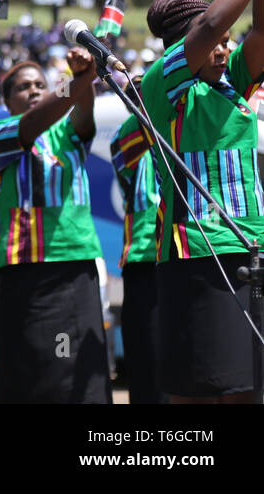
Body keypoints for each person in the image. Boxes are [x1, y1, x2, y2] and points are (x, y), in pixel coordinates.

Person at [139, 0, 264, 403]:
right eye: (214, 44)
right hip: (195, 256)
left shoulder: (230, 84)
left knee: (249, 390)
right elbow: (210, 25)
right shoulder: (161, 86)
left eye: (228, 43)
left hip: (252, 251)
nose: (222, 49)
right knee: (200, 390)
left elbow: (262, 33)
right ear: (179, 49)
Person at [0, 49, 110, 404]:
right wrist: (80, 78)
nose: (34, 90)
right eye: (23, 87)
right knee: (37, 373)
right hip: (29, 276)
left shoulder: (69, 134)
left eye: (40, 84)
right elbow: (41, 115)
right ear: (6, 102)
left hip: (75, 270)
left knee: (75, 371)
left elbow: (83, 112)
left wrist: (83, 76)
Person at [108, 74, 164, 404]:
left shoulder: (182, 138)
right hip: (144, 265)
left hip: (183, 259)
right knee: (148, 365)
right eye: (137, 97)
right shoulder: (125, 145)